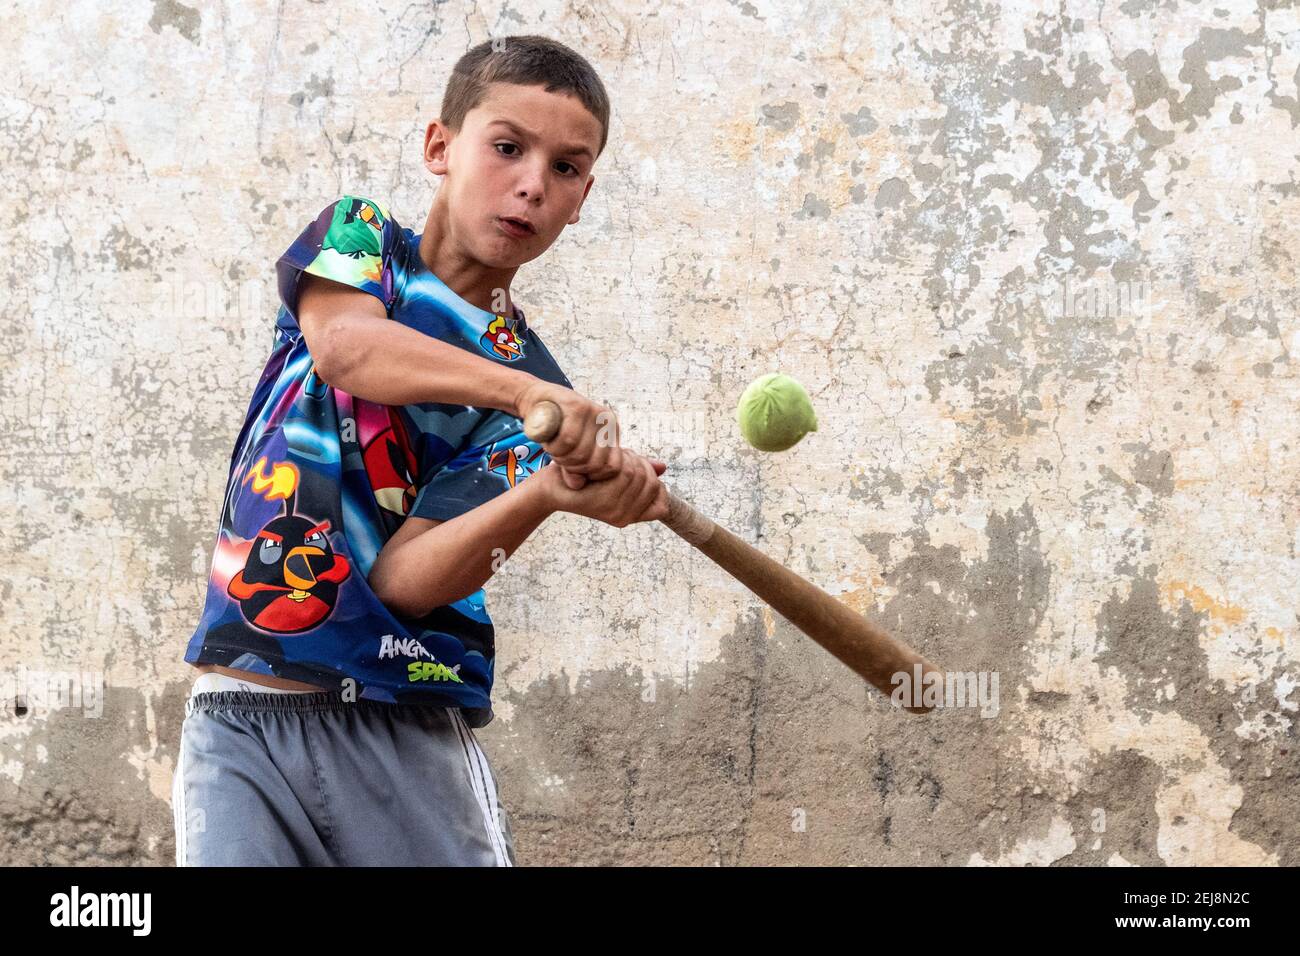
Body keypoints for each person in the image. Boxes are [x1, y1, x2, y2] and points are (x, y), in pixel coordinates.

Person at [172, 35, 667, 866]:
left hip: (402, 719)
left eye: (567, 169)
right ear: (440, 146)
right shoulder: (361, 242)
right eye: (507, 147)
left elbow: (406, 579)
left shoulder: (533, 397)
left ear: (581, 198)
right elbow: (348, 351)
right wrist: (524, 397)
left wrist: (547, 493)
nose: (532, 184)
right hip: (239, 708)